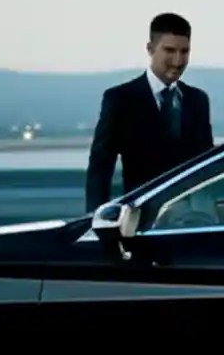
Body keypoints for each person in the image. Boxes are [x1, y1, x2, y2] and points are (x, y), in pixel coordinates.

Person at [84, 12, 214, 212]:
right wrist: (95, 220)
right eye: (169, 51)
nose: (178, 61)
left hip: (191, 221)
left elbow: (210, 165)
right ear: (150, 49)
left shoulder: (198, 101)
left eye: (184, 51)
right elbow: (101, 167)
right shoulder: (121, 99)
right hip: (143, 221)